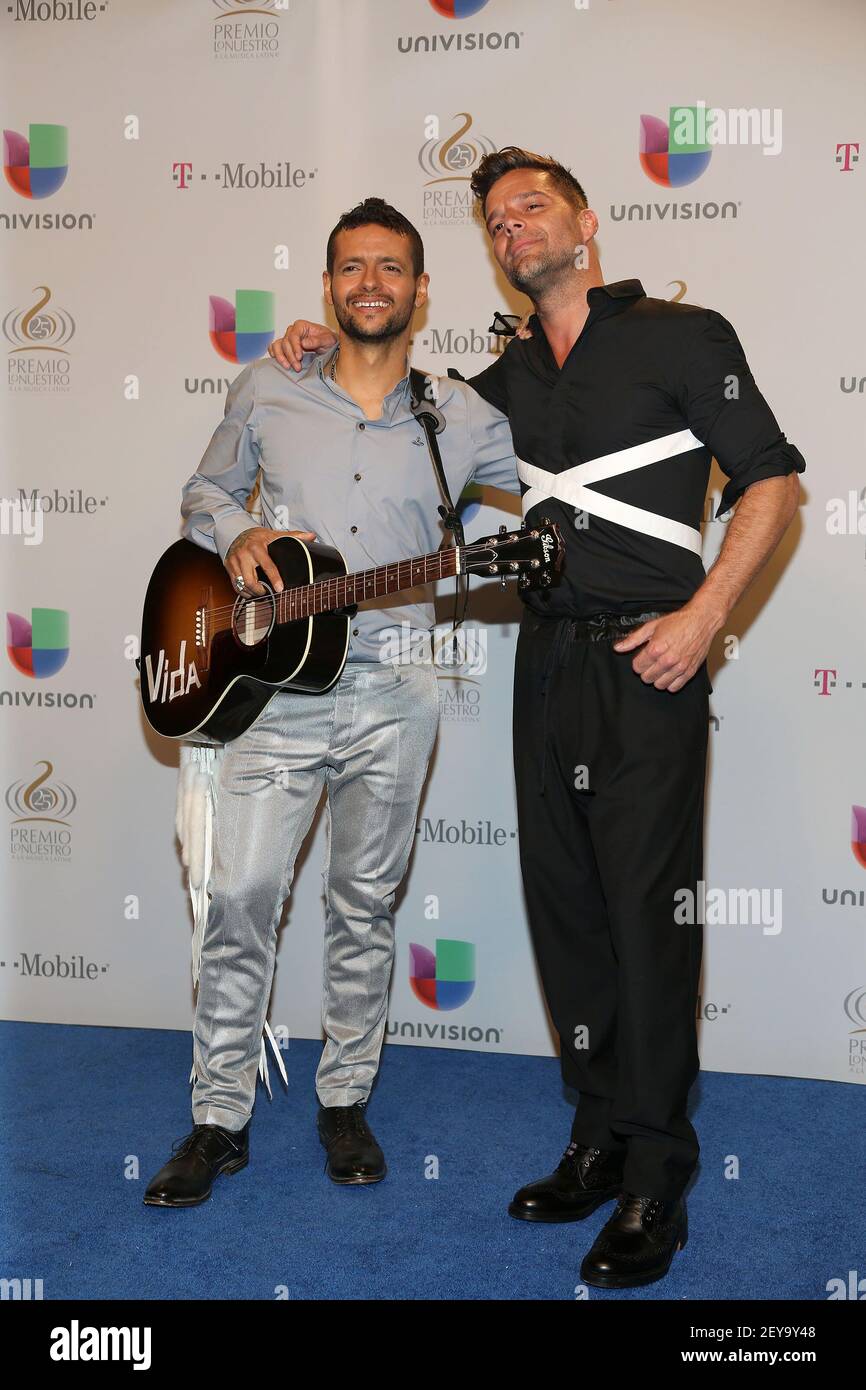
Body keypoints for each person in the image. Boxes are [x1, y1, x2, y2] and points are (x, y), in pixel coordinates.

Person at [268, 149, 804, 1286]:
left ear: (584, 223)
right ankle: (598, 1136)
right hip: (543, 662)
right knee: (566, 913)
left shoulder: (680, 334)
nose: (513, 227)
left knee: (644, 916)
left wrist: (703, 617)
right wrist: (325, 350)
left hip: (648, 664)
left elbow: (769, 481)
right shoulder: (502, 385)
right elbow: (400, 414)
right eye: (495, 218)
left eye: (532, 207)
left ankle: (658, 1173)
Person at [143, 197, 519, 1208]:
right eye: (351, 267)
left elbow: (553, 475)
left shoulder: (464, 417)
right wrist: (231, 534)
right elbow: (204, 489)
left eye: (390, 268)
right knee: (236, 899)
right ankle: (217, 1119)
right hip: (269, 687)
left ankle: (343, 1098)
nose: (369, 284)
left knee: (364, 904)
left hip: (397, 686)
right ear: (326, 286)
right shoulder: (268, 380)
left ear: (420, 289)